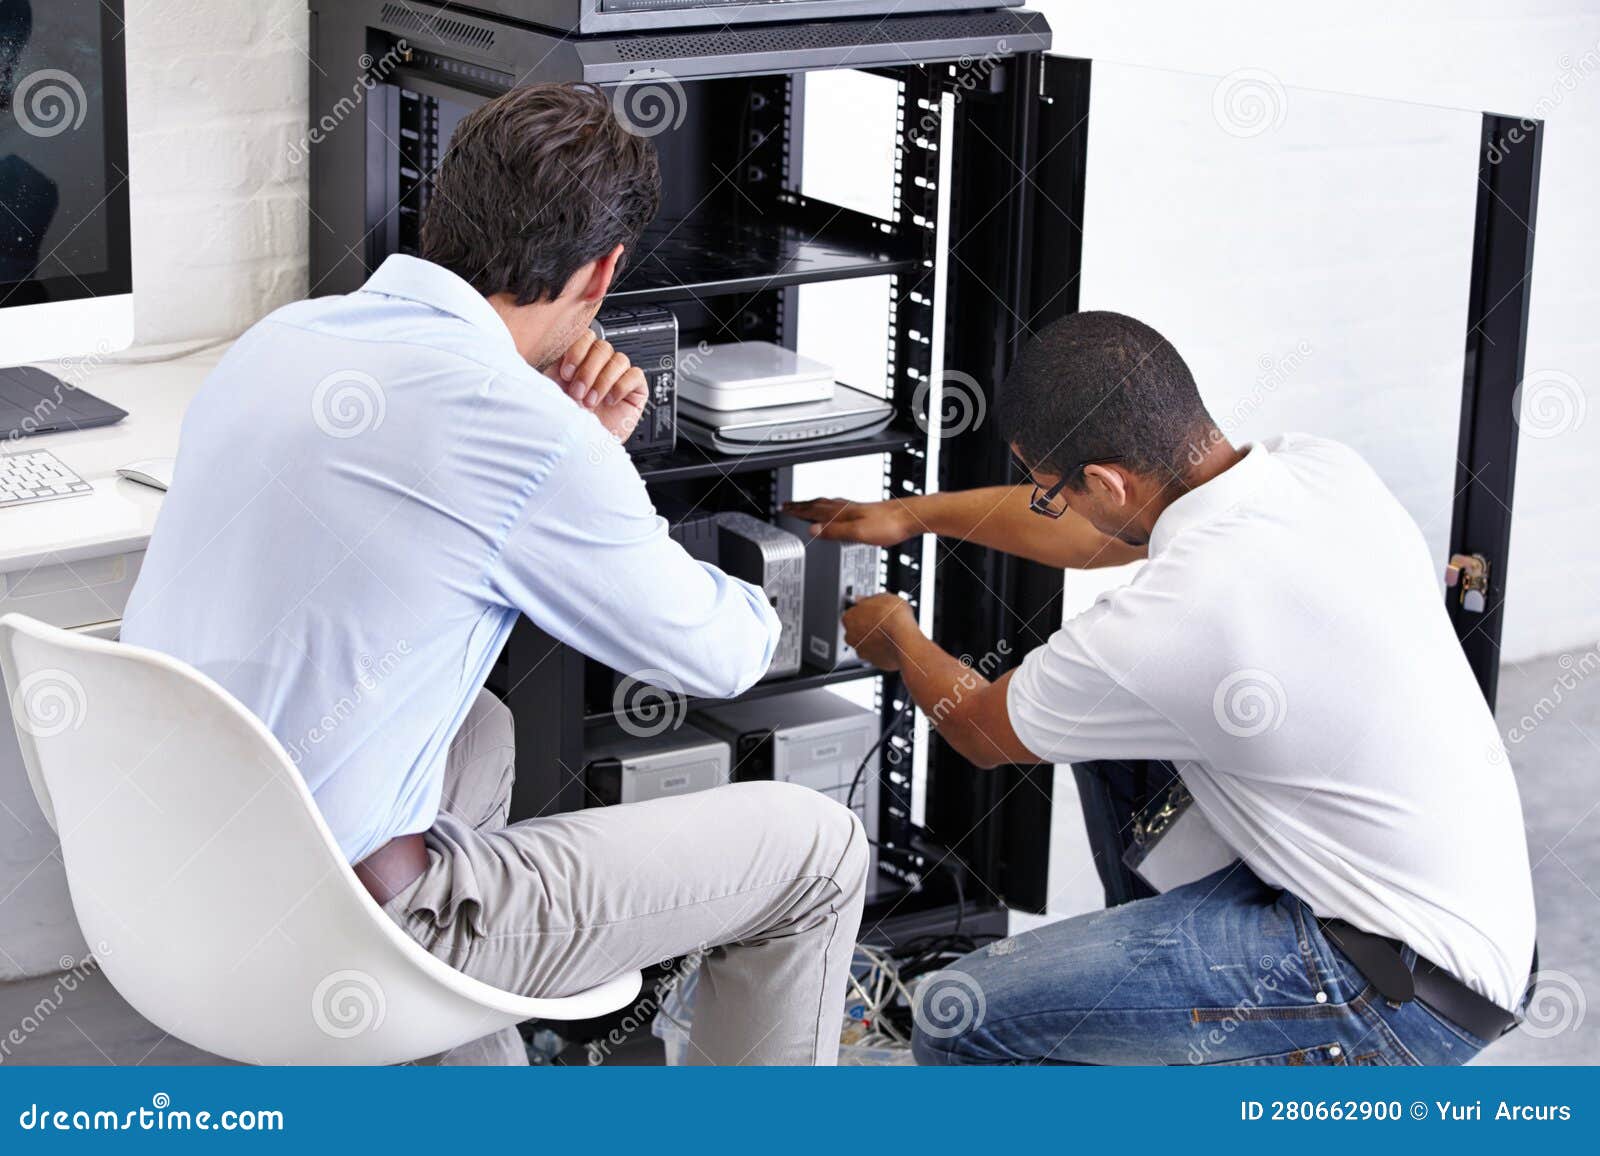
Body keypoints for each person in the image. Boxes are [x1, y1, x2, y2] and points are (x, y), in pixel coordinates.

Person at [120, 83, 867, 1066]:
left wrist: (571, 455)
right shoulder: (529, 438)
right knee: (820, 852)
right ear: (602, 273)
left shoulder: (283, 338)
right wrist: (595, 461)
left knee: (482, 729)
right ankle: (421, 975)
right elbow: (725, 655)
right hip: (331, 928)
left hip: (160, 879)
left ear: (443, 211)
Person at [784, 310, 1535, 1066]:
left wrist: (899, 637)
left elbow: (978, 728)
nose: (1052, 506)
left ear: (1107, 480)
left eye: (1051, 490)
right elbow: (1090, 535)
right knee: (1097, 733)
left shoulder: (1175, 618)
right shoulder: (1317, 469)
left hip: (1385, 1000)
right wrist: (910, 515)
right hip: (1471, 936)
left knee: (959, 1017)